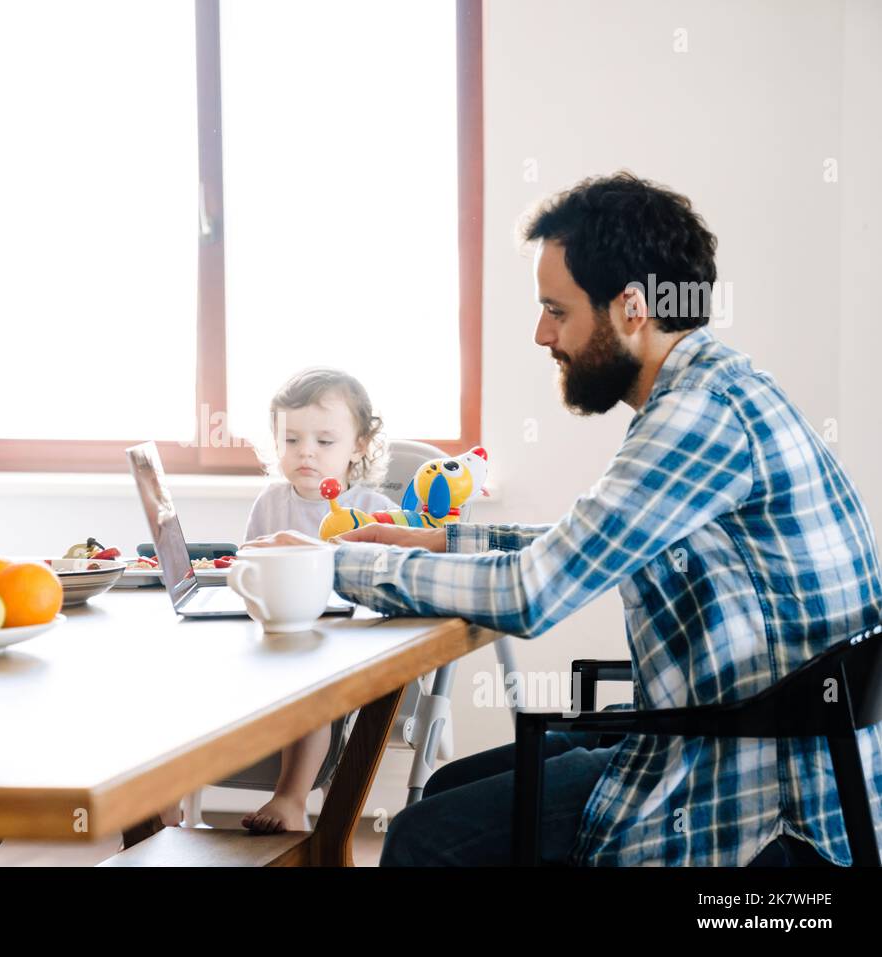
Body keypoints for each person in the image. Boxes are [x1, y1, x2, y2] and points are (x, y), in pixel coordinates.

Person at [245, 172, 882, 866]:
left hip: (754, 800)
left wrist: (327, 563)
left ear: (631, 308)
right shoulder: (714, 389)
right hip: (752, 745)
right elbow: (593, 542)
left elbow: (534, 591)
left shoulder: (698, 415)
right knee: (448, 789)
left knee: (423, 837)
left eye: (557, 308)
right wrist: (437, 539)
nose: (542, 333)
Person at [239, 368, 394, 833]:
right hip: (274, 636)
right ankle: (161, 821)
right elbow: (249, 566)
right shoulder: (269, 502)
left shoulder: (371, 508)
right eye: (291, 439)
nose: (306, 451)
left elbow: (382, 584)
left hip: (337, 645)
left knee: (310, 686)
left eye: (325, 441)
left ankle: (290, 797)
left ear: (360, 444)